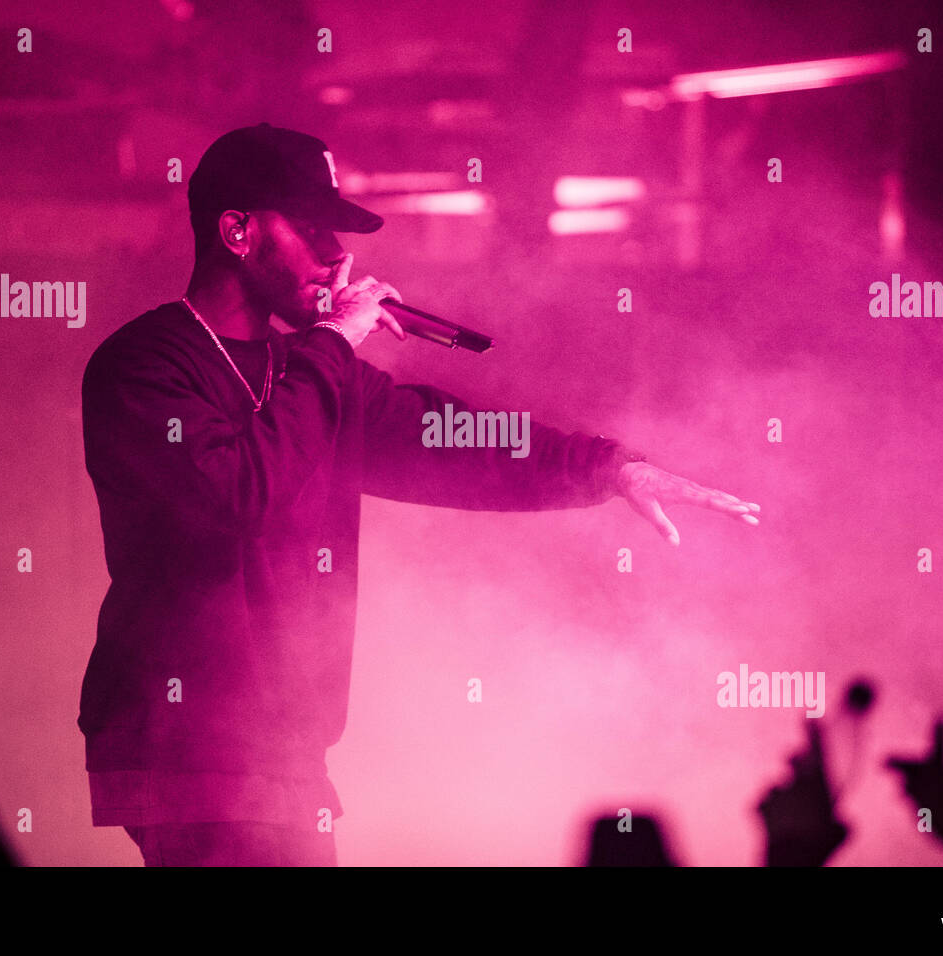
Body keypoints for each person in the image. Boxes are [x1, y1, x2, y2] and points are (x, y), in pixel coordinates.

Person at [78, 123, 761, 866]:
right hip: (188, 742)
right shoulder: (144, 366)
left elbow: (448, 442)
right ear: (237, 231)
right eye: (312, 231)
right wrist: (336, 339)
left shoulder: (303, 367)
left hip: (279, 748)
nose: (339, 256)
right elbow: (242, 496)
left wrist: (609, 468)